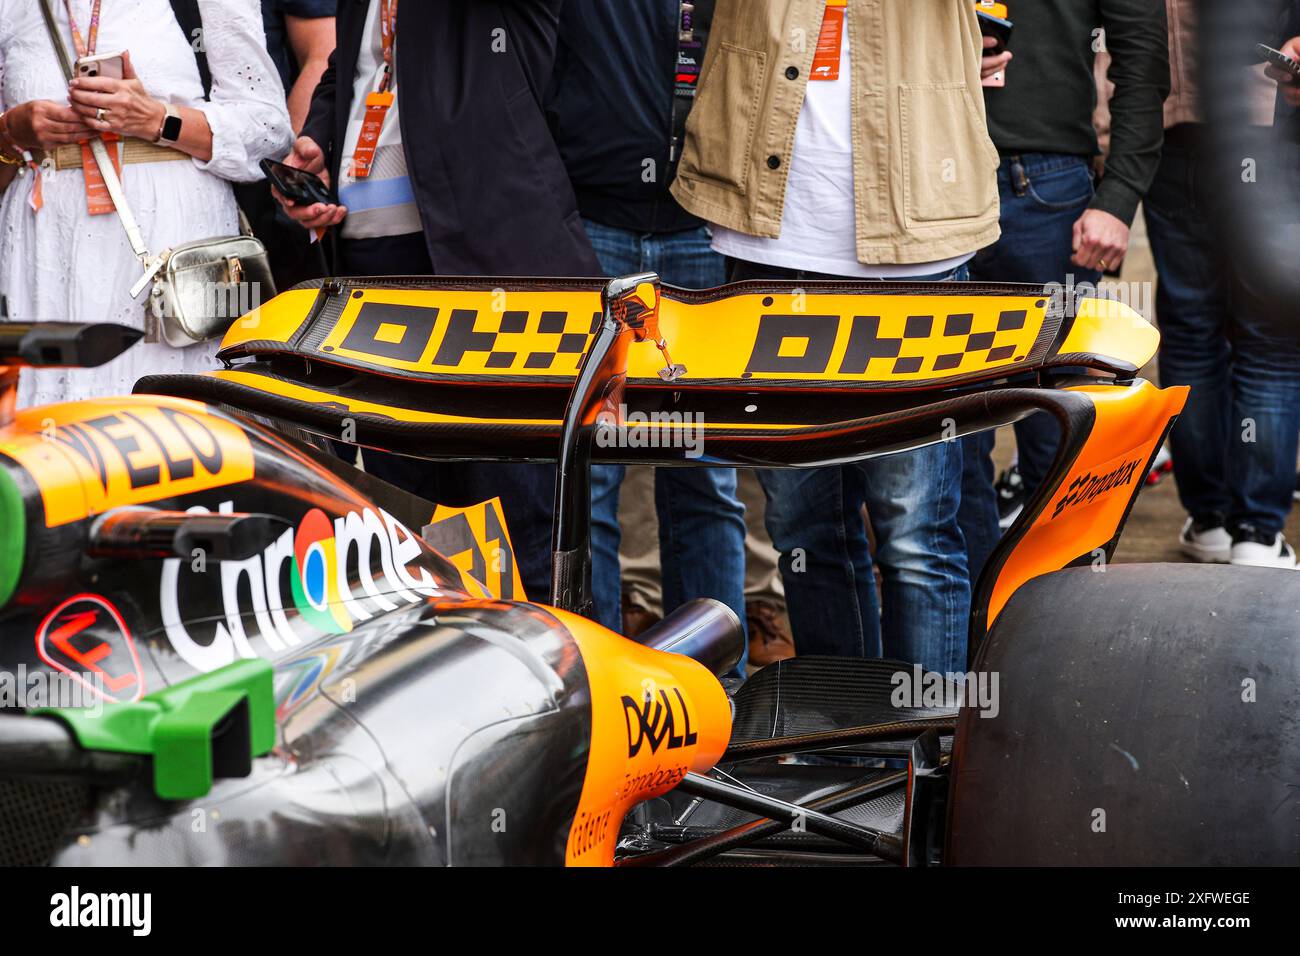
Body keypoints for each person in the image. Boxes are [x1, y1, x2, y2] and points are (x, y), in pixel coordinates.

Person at [670, 0, 1001, 674]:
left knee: (914, 534)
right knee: (803, 526)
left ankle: (926, 758)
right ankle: (844, 747)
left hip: (918, 251)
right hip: (769, 243)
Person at [274, 0, 601, 600]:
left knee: (516, 518)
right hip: (371, 266)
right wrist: (319, 145)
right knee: (417, 523)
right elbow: (356, 66)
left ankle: (568, 682)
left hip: (486, 273)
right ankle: (457, 676)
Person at [545, 0, 748, 660]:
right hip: (594, 219)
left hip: (707, 225)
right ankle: (601, 679)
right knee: (591, 466)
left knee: (705, 468)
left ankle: (720, 685)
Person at [957, 0, 1170, 583]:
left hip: (1039, 180)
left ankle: (1055, 632)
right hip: (924, 177)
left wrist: (1119, 197)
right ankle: (977, 634)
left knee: (1056, 427)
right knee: (943, 436)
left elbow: (1144, 55)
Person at [0, 0, 292, 407]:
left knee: (172, 423)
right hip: (45, 248)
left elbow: (268, 132)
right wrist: (11, 133)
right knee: (52, 435)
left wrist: (156, 119)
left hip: (172, 247)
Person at [1142, 0, 1300, 567]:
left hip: (1166, 128)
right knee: (1269, 344)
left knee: (1190, 333)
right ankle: (1255, 532)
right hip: (1265, 130)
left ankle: (1209, 519)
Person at [234, 0, 337, 293]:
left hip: (265, 170)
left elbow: (322, 52)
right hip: (168, 166)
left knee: (273, 317)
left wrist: (290, 166)